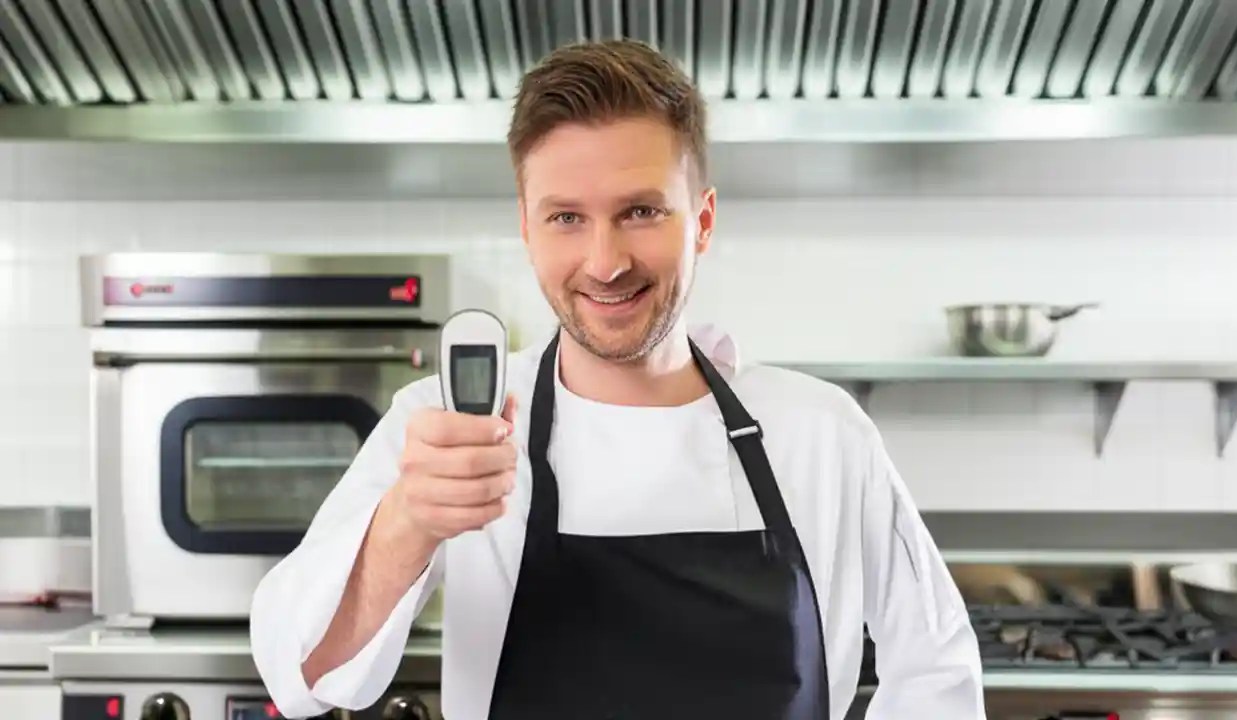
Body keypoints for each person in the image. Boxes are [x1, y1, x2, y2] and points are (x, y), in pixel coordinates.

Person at [250, 38, 986, 720]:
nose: (605, 262)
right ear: (527, 226)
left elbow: (937, 670)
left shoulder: (821, 434)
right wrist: (409, 522)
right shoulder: (447, 429)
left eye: (640, 211)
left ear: (700, 222)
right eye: (567, 217)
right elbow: (300, 674)